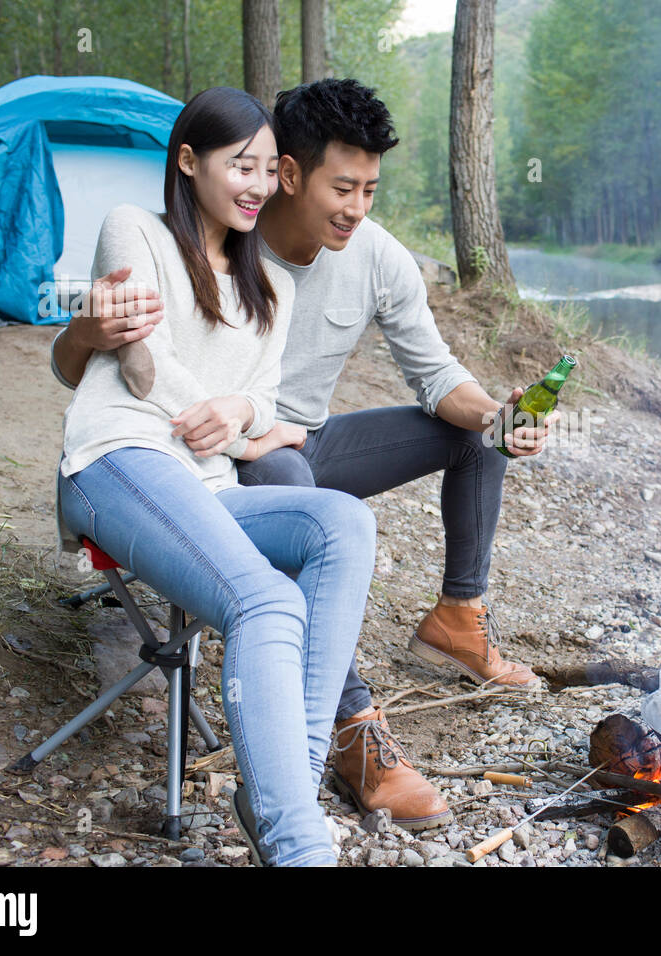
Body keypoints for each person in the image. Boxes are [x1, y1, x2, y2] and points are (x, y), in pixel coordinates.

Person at [52, 79, 560, 834]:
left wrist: (500, 417)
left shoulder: (366, 260)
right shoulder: (197, 242)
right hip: (231, 459)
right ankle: (353, 733)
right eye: (343, 187)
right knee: (285, 474)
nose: (357, 208)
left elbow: (436, 374)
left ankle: (459, 616)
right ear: (290, 174)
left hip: (294, 441)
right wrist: (248, 429)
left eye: (372, 190)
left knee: (472, 429)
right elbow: (116, 362)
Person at [54, 86, 375, 866]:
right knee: (264, 599)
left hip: (207, 489)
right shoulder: (135, 229)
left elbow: (262, 400)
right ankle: (301, 845)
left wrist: (240, 412)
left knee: (343, 523)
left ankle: (283, 787)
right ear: (190, 163)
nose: (259, 186)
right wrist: (224, 414)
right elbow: (135, 364)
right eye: (243, 166)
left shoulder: (277, 286)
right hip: (120, 460)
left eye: (270, 170)